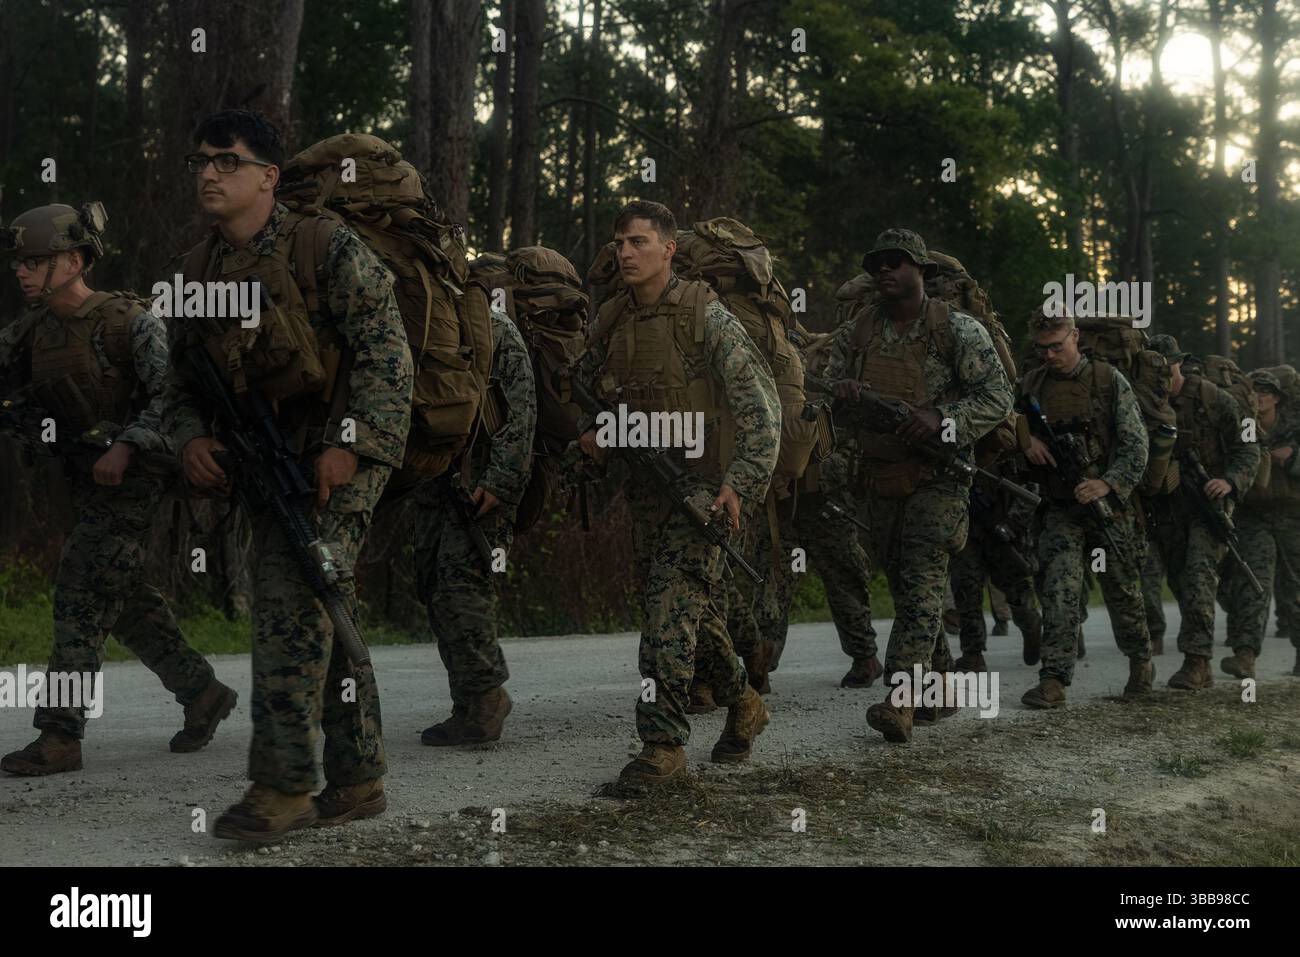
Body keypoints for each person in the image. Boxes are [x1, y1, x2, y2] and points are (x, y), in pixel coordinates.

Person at [163, 109, 413, 840]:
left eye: (226, 161)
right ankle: (360, 775)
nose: (208, 172)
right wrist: (189, 442)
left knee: (288, 603)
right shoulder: (195, 271)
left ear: (268, 177)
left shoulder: (323, 246)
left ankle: (283, 787)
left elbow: (386, 352)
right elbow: (176, 382)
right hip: (265, 460)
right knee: (317, 608)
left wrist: (351, 443)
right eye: (201, 161)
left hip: (341, 455)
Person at [0, 201, 234, 776]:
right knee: (123, 600)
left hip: (135, 480)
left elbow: (172, 397)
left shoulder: (128, 322)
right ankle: (203, 692)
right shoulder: (32, 332)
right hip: (84, 481)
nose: (22, 271)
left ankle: (60, 734)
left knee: (79, 590)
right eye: (19, 262)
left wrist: (129, 443)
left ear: (76, 261)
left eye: (37, 261)